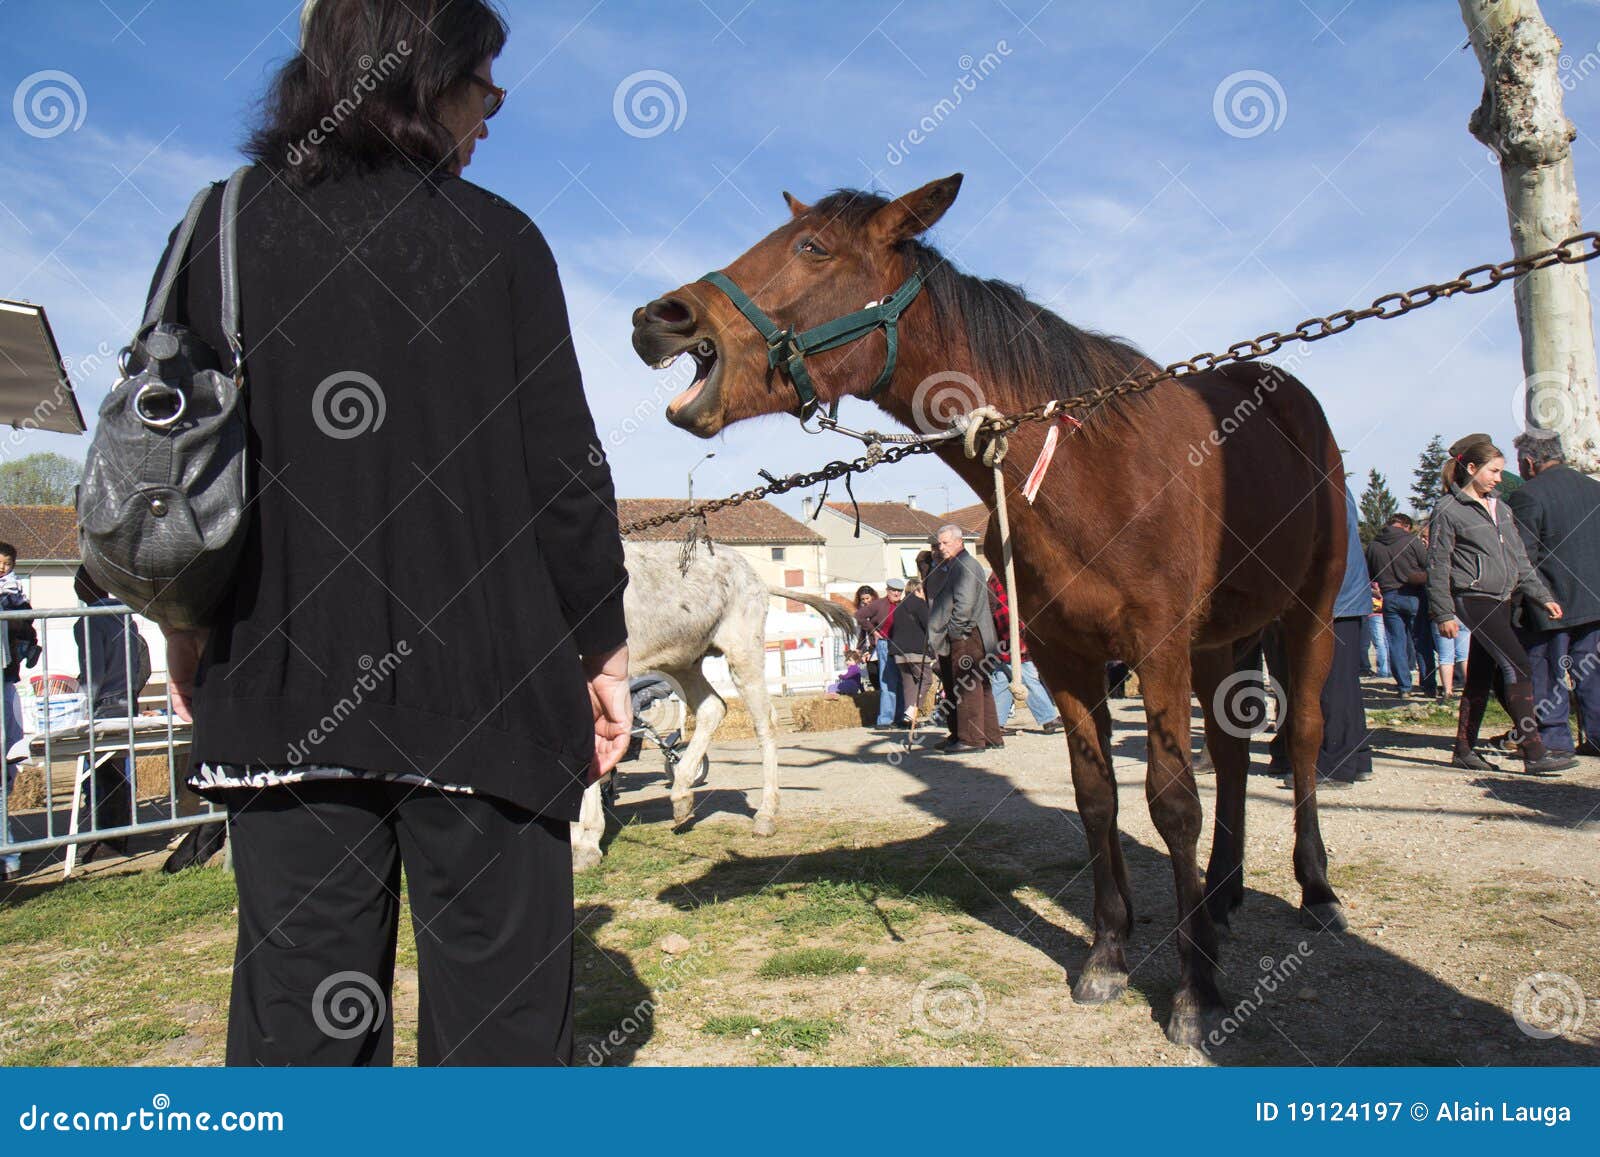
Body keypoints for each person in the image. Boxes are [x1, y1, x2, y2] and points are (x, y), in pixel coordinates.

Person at [151, 0, 630, 1066]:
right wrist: (600, 644)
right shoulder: (502, 240)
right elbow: (568, 475)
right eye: (485, 87)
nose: (494, 117)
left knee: (302, 1033)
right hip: (490, 694)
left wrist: (184, 621)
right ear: (425, 79)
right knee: (502, 1036)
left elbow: (171, 465)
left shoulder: (220, 228)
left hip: (282, 685)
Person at [1426, 435, 1574, 776]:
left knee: (1480, 674)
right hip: (1473, 597)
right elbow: (1438, 564)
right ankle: (1534, 750)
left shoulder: (1502, 508)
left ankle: (1463, 749)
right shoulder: (1448, 509)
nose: (1498, 478)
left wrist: (1544, 596)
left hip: (1502, 598)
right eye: (1493, 471)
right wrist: (1443, 612)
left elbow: (1521, 561)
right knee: (1518, 665)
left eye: (1501, 471)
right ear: (1472, 468)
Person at [1270, 489, 1374, 786]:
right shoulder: (1330, 481)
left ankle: (1333, 764)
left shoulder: (1315, 485)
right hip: (1342, 597)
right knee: (1343, 683)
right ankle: (1356, 755)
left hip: (1331, 599)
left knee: (1329, 683)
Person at [1507, 429, 1600, 757]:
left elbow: (1523, 555)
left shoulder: (1528, 495)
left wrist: (1518, 601)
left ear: (1530, 462)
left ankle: (1554, 740)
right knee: (1592, 672)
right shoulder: (1594, 489)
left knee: (1548, 672)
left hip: (1549, 603)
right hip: (1594, 601)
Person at [71, 567, 149, 861]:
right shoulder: (124, 616)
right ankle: (115, 837)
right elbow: (141, 660)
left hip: (105, 702)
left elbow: (93, 671)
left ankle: (111, 841)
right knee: (115, 772)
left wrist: (82, 706)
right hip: (126, 698)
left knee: (105, 775)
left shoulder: (89, 621)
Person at [926, 524, 1001, 753]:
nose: (941, 547)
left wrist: (956, 632)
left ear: (959, 542)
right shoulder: (960, 565)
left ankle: (971, 739)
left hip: (968, 637)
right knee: (980, 685)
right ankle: (989, 736)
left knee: (966, 686)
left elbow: (964, 605)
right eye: (940, 543)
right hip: (973, 634)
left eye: (946, 543)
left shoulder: (965, 566)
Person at [1365, 513, 1436, 696]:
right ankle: (1428, 686)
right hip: (1414, 595)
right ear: (1405, 525)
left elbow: (1370, 574)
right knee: (1421, 642)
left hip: (1389, 597)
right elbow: (1428, 564)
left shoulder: (1374, 546)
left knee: (1396, 643)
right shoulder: (1411, 541)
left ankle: (1404, 686)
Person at [985, 571, 1062, 733]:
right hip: (1011, 640)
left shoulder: (997, 578)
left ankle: (993, 724)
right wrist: (1020, 639)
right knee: (1027, 676)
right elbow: (1006, 613)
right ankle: (1048, 718)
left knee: (1002, 681)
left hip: (1001, 640)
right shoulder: (1004, 577)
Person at [889, 577, 932, 728]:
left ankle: (909, 718)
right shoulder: (920, 604)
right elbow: (929, 627)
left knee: (909, 685)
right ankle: (912, 710)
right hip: (916, 651)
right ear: (918, 590)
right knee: (926, 680)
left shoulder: (899, 607)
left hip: (899, 652)